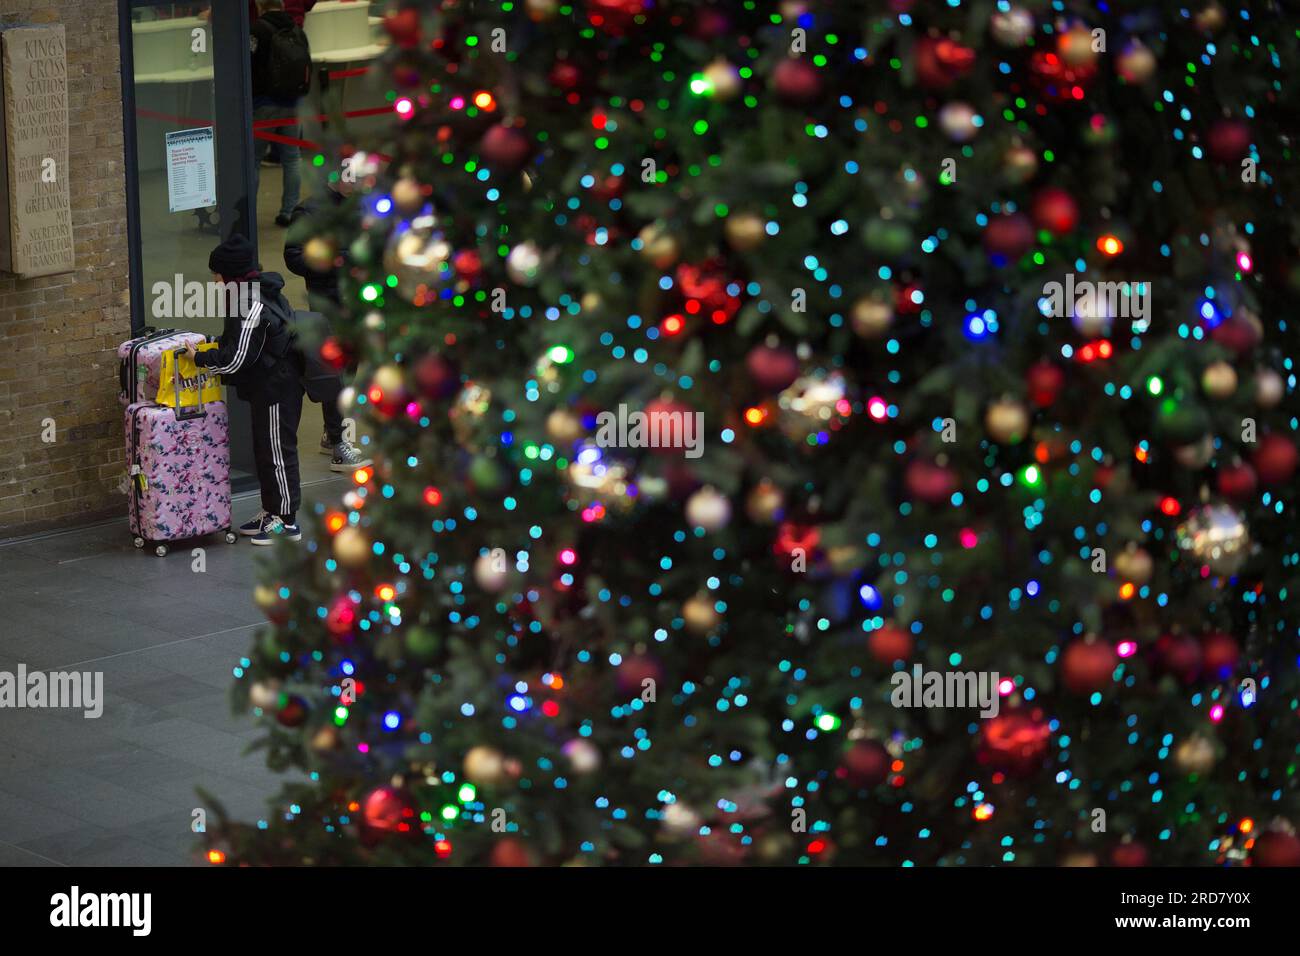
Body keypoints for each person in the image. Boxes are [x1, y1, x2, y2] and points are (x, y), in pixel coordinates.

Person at [183, 235, 304, 545]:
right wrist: (211, 345)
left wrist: (200, 359)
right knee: (266, 450)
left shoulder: (249, 302)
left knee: (277, 451)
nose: (214, 280)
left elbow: (237, 359)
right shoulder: (249, 294)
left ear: (229, 274)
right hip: (267, 386)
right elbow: (237, 343)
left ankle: (286, 521)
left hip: (278, 387)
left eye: (216, 274)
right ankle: (272, 510)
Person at [283, 170, 372, 473]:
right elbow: (293, 256)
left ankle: (331, 434)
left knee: (348, 371)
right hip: (329, 304)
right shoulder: (309, 211)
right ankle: (339, 444)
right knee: (336, 376)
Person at [250, 0, 312, 226]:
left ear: (259, 6)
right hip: (292, 103)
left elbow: (249, 64)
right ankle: (289, 211)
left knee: (253, 160)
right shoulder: (297, 29)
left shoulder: (256, 29)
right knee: (292, 157)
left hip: (264, 104)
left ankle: (247, 214)